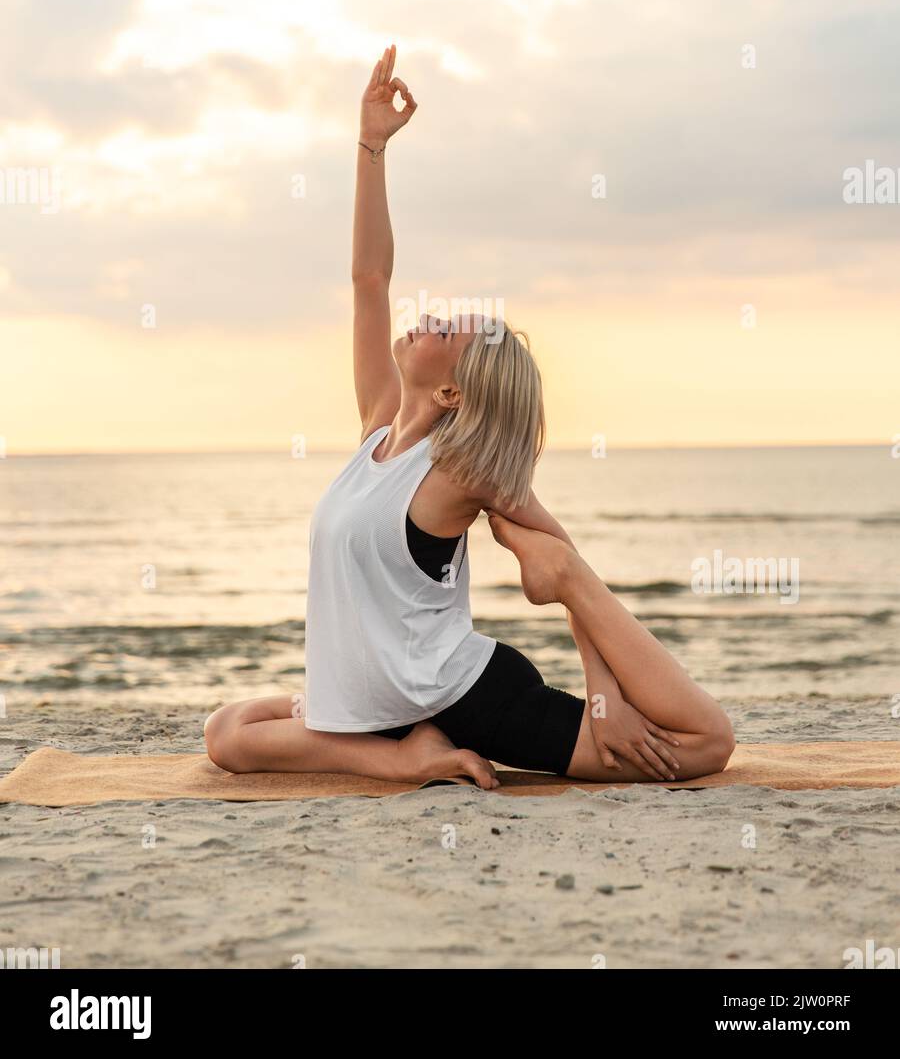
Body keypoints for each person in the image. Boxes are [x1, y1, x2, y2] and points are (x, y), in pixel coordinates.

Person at [204, 45, 735, 789]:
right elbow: (368, 279)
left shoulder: (459, 468)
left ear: (454, 393)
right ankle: (402, 757)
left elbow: (557, 558)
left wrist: (603, 689)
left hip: (463, 693)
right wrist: (370, 146)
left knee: (703, 748)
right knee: (225, 732)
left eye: (448, 329)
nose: (429, 318)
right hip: (379, 708)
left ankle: (413, 750)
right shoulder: (379, 427)